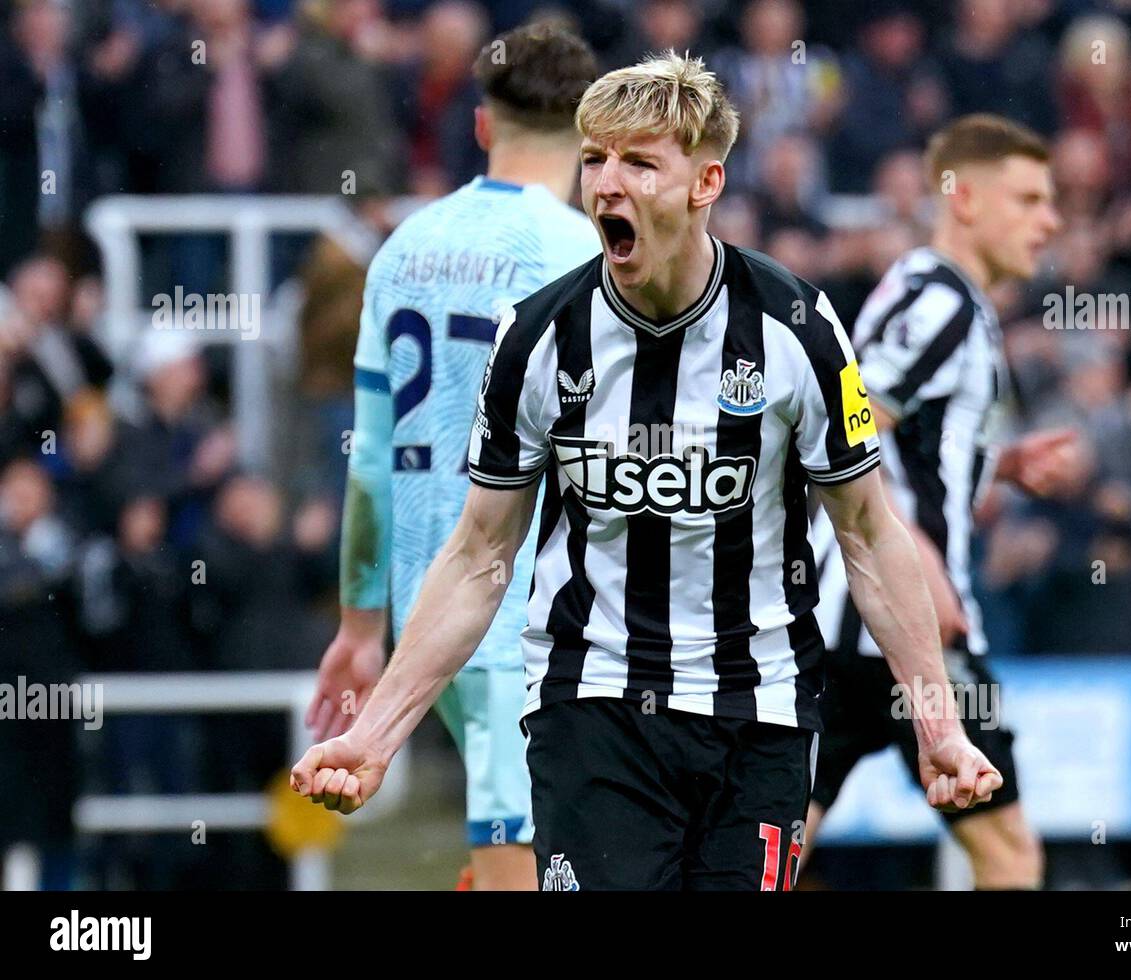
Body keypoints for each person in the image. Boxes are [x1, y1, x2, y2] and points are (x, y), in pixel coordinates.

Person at [292, 52, 1001, 892]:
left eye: (638, 162)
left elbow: (871, 537)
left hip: (760, 715)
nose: (605, 184)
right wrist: (374, 735)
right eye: (593, 159)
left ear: (706, 182)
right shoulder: (536, 337)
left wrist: (939, 725)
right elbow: (480, 555)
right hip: (592, 706)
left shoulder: (798, 330)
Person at [303, 24, 600, 891]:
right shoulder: (580, 253)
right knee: (526, 869)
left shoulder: (402, 251)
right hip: (537, 617)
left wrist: (362, 629)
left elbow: (368, 463)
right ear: (591, 141)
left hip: (434, 609)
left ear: (480, 124)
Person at [803, 114, 1072, 889]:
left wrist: (995, 464)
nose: (1048, 220)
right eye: (1027, 199)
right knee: (1009, 856)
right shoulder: (943, 307)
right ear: (964, 199)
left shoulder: (932, 291)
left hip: (840, 630)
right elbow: (842, 439)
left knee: (773, 855)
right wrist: (919, 560)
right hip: (907, 622)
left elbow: (887, 437)